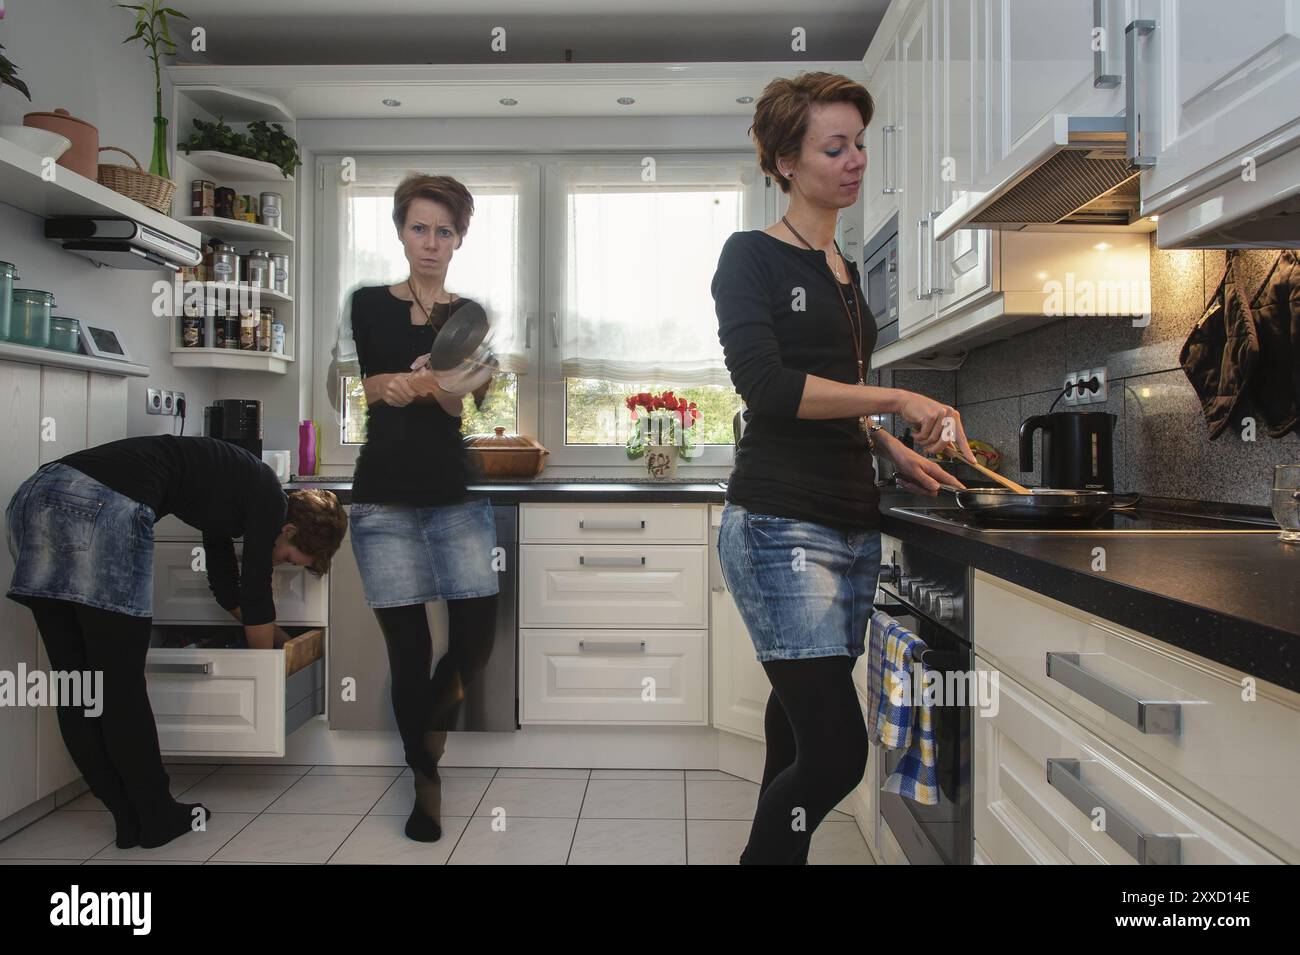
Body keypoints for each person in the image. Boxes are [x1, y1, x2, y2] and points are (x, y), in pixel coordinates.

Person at [712, 70, 975, 865]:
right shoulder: (750, 257)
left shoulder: (847, 273)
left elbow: (836, 402)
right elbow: (768, 387)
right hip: (781, 525)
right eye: (836, 146)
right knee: (835, 753)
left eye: (859, 143)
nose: (856, 159)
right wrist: (896, 404)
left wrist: (886, 445)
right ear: (787, 161)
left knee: (793, 729)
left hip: (849, 524)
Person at [5, 434, 347, 849]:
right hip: (100, 510)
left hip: (36, 498)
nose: (282, 563)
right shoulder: (270, 499)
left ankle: (126, 814)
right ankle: (156, 815)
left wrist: (280, 641)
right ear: (289, 529)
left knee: (77, 680)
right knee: (119, 684)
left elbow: (226, 587)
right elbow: (255, 592)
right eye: (291, 558)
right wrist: (268, 671)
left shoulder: (233, 487)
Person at [333, 172, 500, 843]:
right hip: (382, 499)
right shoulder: (369, 302)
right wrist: (442, 378)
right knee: (408, 651)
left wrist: (449, 383)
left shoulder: (470, 313)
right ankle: (424, 781)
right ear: (402, 232)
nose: (430, 242)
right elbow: (376, 388)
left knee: (473, 643)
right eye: (419, 228)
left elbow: (462, 400)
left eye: (444, 230)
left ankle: (427, 734)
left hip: (454, 494)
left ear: (460, 238)